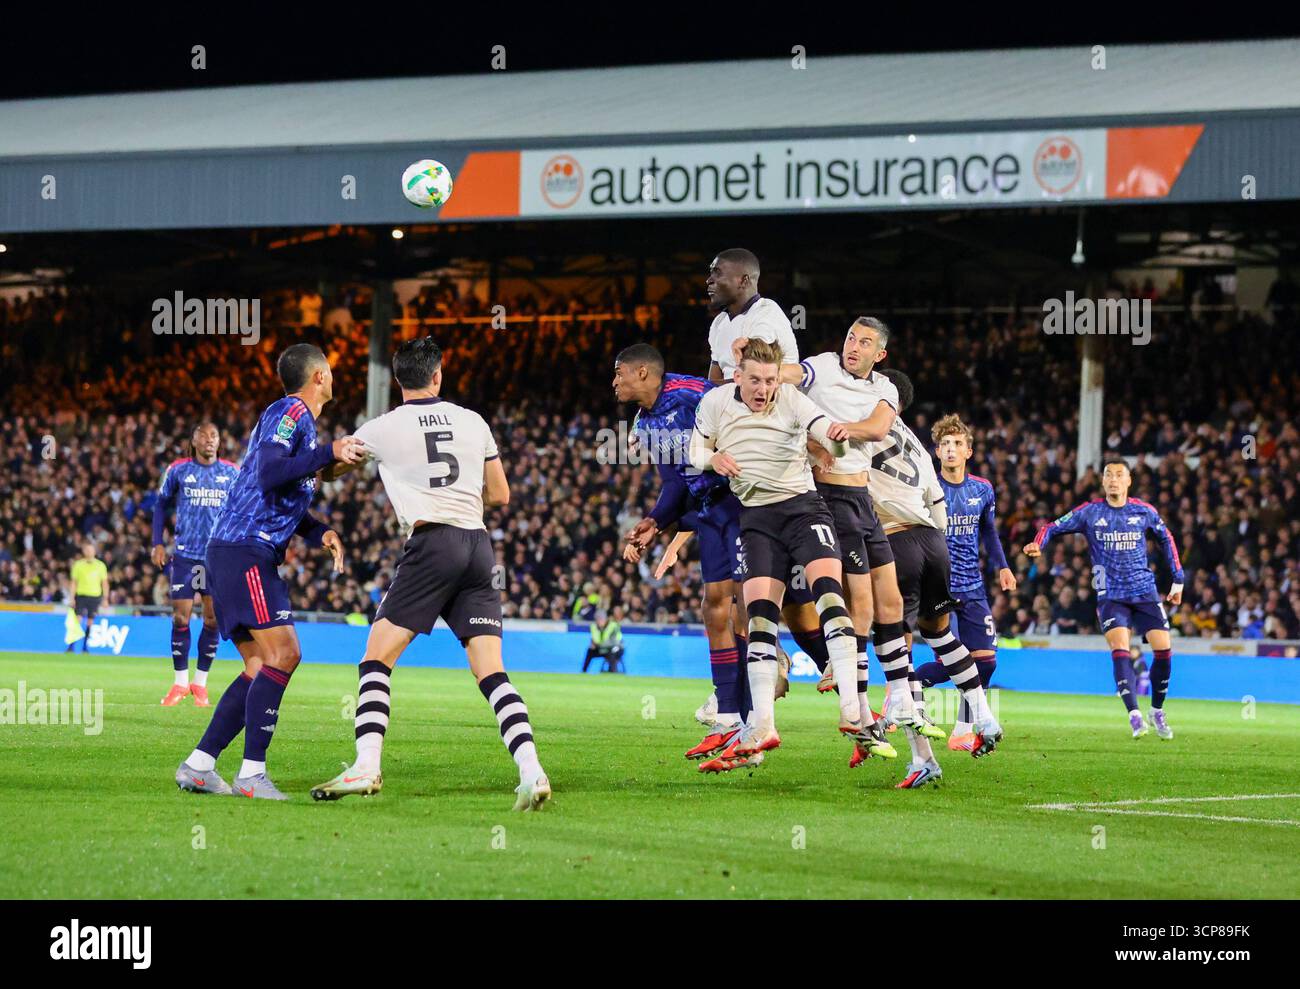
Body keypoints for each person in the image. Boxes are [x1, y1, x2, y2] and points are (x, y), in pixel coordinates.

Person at [310, 337, 550, 811]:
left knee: (376, 658)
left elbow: (334, 468)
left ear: (398, 380)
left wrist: (342, 465)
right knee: (491, 672)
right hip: (478, 546)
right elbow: (500, 495)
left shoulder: (382, 427)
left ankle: (366, 765)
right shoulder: (473, 420)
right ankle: (532, 770)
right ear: (438, 375)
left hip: (431, 543)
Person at [174, 343, 363, 800]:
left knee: (259, 666)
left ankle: (198, 766)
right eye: (331, 371)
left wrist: (319, 532)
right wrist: (328, 451)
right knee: (285, 654)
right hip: (246, 551)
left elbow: (277, 489)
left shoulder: (294, 424)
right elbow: (271, 472)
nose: (334, 377)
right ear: (318, 375)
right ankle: (252, 774)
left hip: (234, 550)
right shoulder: (292, 411)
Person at [687, 339, 863, 773]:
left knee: (828, 593)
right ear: (738, 377)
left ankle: (852, 709)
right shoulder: (713, 404)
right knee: (761, 616)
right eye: (756, 381)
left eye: (769, 380)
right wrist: (714, 458)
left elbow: (827, 435)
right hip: (757, 520)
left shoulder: (792, 398)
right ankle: (763, 724)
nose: (764, 389)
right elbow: (693, 452)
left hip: (803, 509)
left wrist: (837, 440)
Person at [614, 343, 751, 760]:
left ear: (642, 373)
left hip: (741, 500)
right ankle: (730, 716)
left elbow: (739, 415)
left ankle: (755, 713)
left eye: (618, 373)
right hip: (707, 511)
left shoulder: (694, 392)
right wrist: (655, 521)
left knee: (746, 601)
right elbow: (674, 482)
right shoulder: (644, 422)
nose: (614, 382)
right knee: (713, 605)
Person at [867, 369, 1004, 789]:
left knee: (893, 642)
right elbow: (939, 504)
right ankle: (983, 716)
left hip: (898, 541)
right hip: (933, 544)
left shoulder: (865, 431)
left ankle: (910, 727)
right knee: (941, 636)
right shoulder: (915, 446)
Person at [1024, 461, 1184, 739]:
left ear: (1129, 481)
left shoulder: (1143, 511)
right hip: (1110, 595)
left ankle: (1156, 710)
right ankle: (1134, 714)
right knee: (1120, 647)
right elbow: (1052, 526)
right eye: (1108, 475)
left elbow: (1166, 538)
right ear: (1102, 481)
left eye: (1119, 475)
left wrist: (1178, 578)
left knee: (1164, 651)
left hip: (1144, 591)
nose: (1113, 479)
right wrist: (1039, 542)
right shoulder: (1090, 512)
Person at [919, 413, 1017, 751]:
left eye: (956, 444)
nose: (950, 449)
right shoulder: (928, 487)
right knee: (954, 659)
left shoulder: (982, 489)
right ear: (937, 451)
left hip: (973, 585)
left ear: (968, 451)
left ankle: (961, 730)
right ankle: (908, 687)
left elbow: (989, 532)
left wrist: (1002, 567)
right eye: (945, 444)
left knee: (986, 660)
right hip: (938, 585)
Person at [151, 422, 240, 707]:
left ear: (219, 441)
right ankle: (179, 683)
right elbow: (160, 505)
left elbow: (243, 508)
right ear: (194, 441)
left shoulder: (231, 472)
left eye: (214, 436)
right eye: (204, 436)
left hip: (217, 557)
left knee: (213, 619)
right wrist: (157, 542)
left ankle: (200, 684)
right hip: (186, 555)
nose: (209, 441)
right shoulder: (178, 469)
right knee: (181, 618)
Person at [705, 248, 799, 384]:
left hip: (771, 402)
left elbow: (754, 381)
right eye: (711, 273)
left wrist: (696, 387)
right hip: (734, 400)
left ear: (744, 281)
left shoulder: (766, 314)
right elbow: (713, 382)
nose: (709, 280)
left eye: (717, 273)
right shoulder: (719, 322)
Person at [68, 541, 108, 653]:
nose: (89, 552)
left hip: (95, 596)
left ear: (94, 551)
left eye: (91, 550)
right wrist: (71, 597)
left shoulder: (100, 565)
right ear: (84, 551)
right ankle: (72, 645)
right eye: (87, 550)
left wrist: (105, 598)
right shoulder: (78, 565)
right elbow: (73, 583)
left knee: (90, 621)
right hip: (81, 595)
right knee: (77, 620)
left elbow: (104, 583)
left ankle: (85, 646)